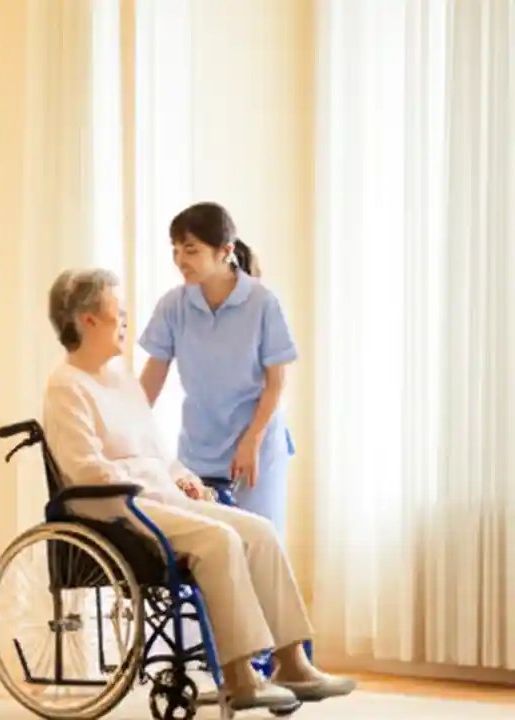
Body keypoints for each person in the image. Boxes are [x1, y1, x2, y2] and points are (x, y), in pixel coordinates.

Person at [43, 267, 355, 711]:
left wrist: (180, 475)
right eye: (120, 312)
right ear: (88, 320)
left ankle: (291, 661)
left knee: (259, 531)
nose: (127, 321)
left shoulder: (120, 377)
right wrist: (143, 482)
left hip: (158, 497)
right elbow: (84, 468)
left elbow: (154, 450)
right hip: (118, 508)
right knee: (220, 540)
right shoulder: (66, 386)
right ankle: (240, 675)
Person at [137, 202, 297, 533]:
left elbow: (276, 383)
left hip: (256, 443)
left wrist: (252, 440)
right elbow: (152, 378)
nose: (181, 260)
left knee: (258, 545)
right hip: (199, 447)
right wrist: (125, 429)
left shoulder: (262, 303)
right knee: (207, 551)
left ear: (225, 251)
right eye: (176, 250)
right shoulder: (174, 306)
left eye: (191, 250)